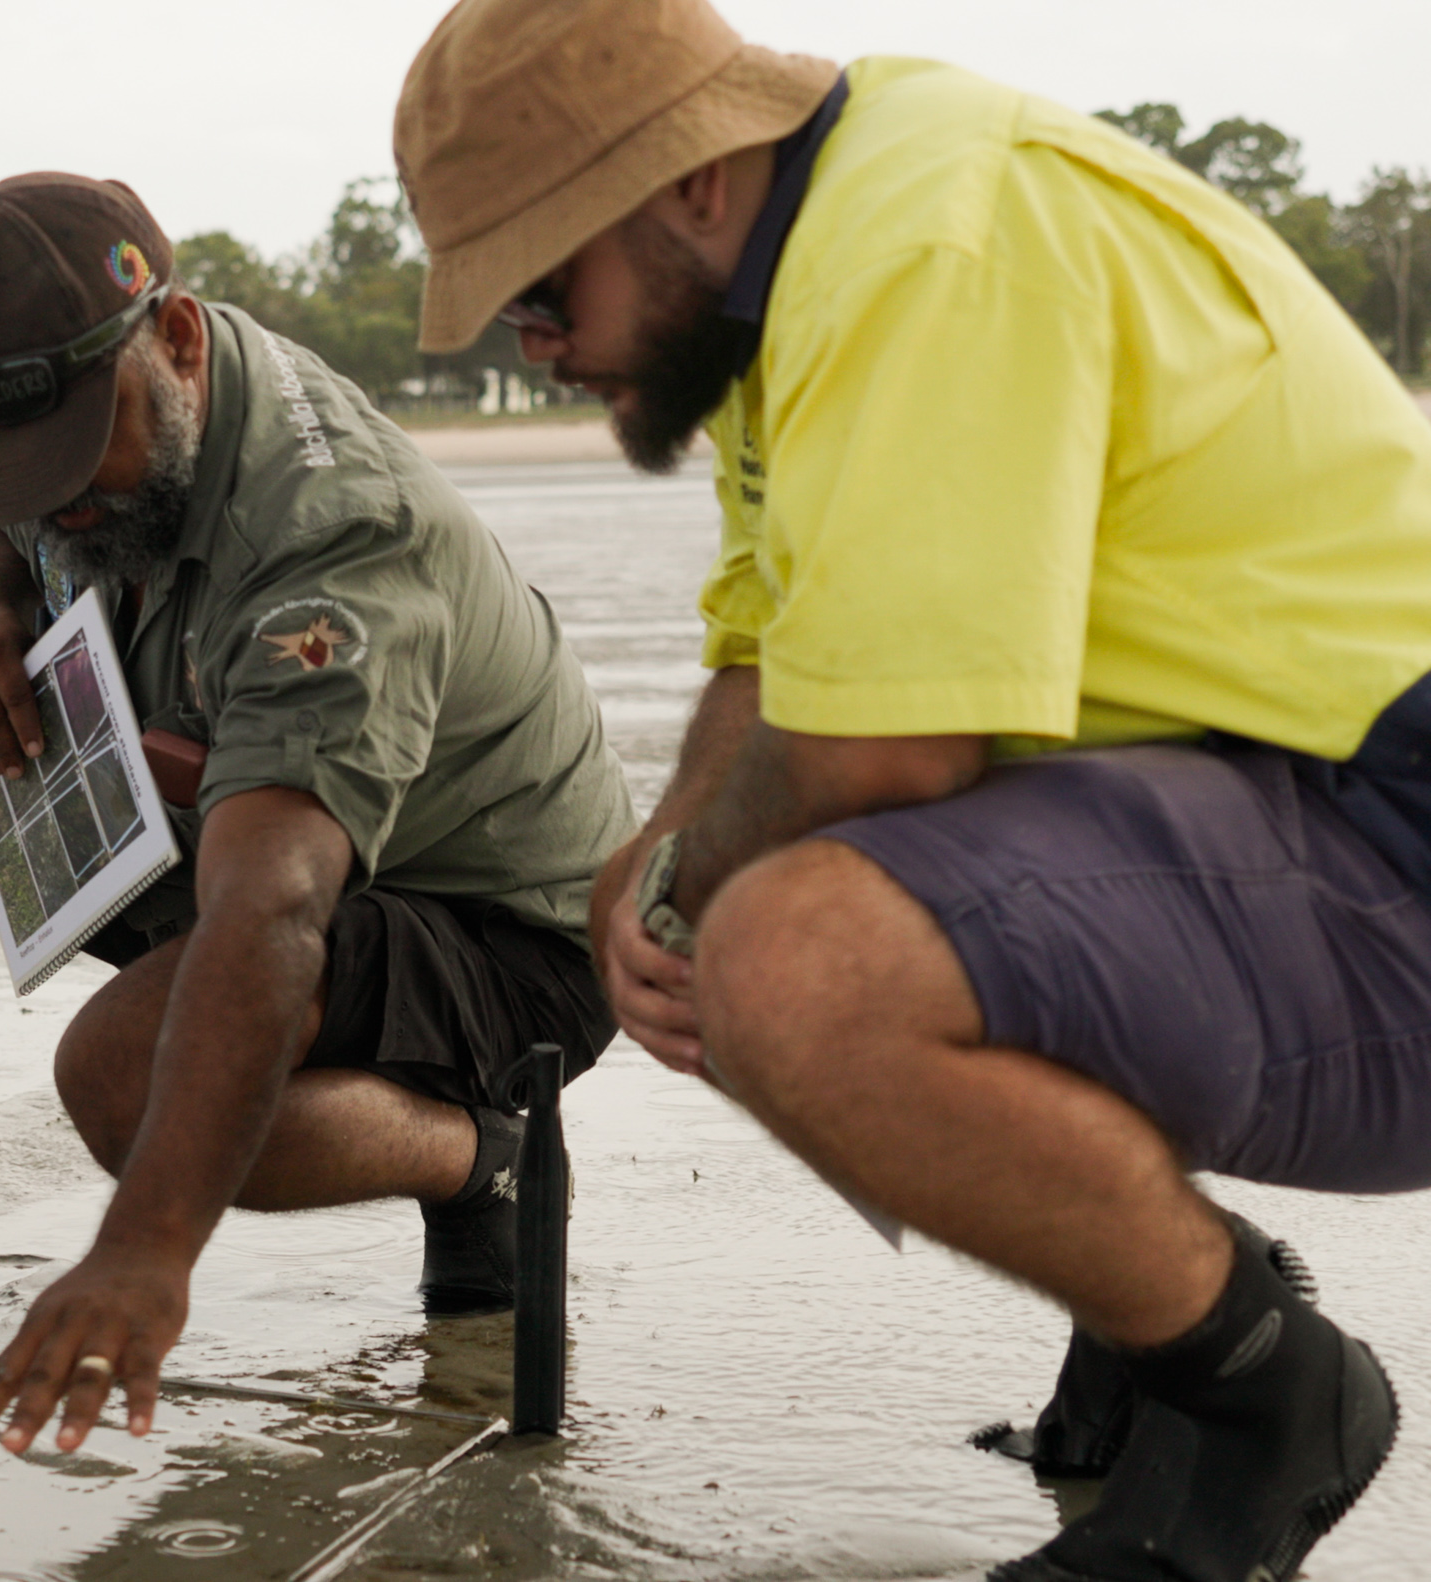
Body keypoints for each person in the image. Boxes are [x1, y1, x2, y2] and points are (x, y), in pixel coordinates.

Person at [392, 1, 1422, 1577]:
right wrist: (657, 855)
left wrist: (683, 894)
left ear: (690, 184)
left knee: (797, 956)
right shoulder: (793, 267)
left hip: (1392, 832)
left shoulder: (922, 240)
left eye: (541, 284)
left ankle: (1268, 1398)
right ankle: (1159, 1324)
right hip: (1288, 811)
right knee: (741, 915)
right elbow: (767, 643)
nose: (532, 343)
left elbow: (884, 751)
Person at [0, 173, 635, 1458]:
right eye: (5, 473)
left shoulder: (336, 534)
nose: (56, 501)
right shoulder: (90, 411)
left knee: (122, 1076)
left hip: (497, 932)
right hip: (226, 793)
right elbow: (17, 522)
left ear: (176, 339)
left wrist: (145, 1248)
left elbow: (274, 906)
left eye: (77, 458)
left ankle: (484, 1160)